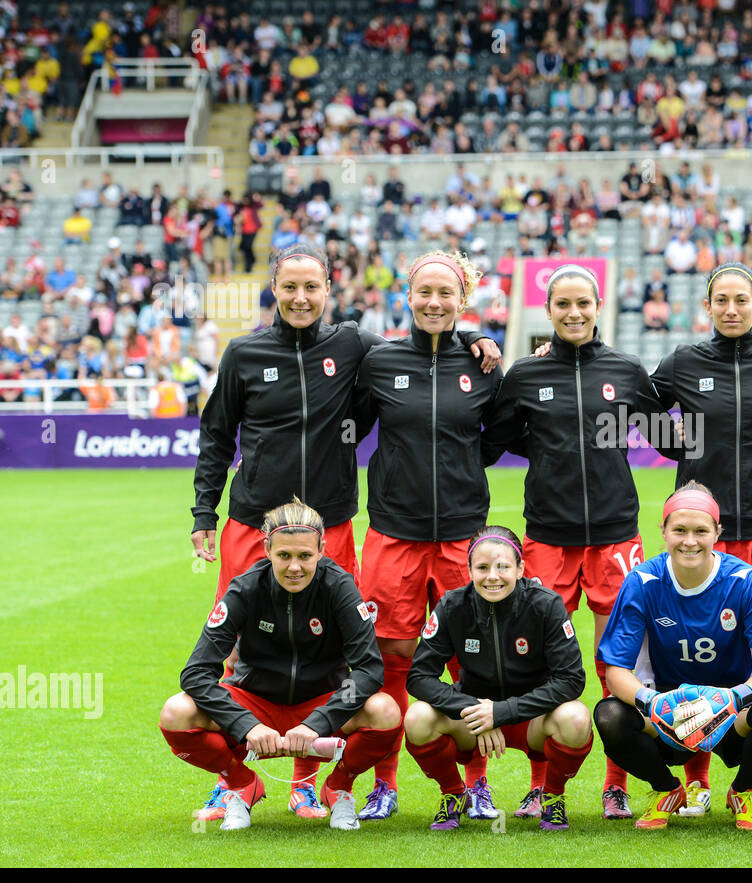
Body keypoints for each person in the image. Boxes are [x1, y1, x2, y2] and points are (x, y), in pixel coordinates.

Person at [189, 243, 498, 819]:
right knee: (234, 650)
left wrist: (469, 339)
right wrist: (204, 513)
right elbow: (215, 436)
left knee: (328, 648)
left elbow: (420, 348)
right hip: (251, 522)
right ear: (275, 290)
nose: (301, 298)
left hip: (330, 523)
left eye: (312, 287)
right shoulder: (243, 353)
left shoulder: (354, 345)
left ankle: (307, 781)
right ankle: (236, 781)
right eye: (290, 287)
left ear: (330, 290)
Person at [486, 263, 665, 820]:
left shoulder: (626, 370)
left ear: (598, 305)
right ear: (549, 311)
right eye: (562, 304)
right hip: (547, 535)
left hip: (615, 535)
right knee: (545, 664)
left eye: (583, 303)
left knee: (622, 662)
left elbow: (666, 432)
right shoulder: (524, 376)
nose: (574, 313)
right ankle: (547, 787)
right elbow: (494, 438)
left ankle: (617, 783)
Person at [648, 261, 752, 818]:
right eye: (722, 300)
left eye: (742, 299)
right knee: (695, 644)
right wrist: (686, 453)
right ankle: (694, 775)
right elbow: (642, 410)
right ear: (708, 306)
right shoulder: (683, 362)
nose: (732, 309)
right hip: (701, 532)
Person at [349, 249, 508, 822]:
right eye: (424, 293)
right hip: (394, 532)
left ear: (462, 300)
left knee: (471, 660)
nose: (435, 303)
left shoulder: (485, 367)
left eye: (447, 294)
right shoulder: (378, 361)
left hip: (465, 536)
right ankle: (384, 782)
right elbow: (351, 424)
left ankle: (477, 782)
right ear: (408, 298)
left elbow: (496, 438)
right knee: (391, 654)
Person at [158, 499, 401, 831]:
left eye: (305, 556)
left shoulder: (340, 586)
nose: (294, 567)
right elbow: (196, 672)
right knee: (176, 712)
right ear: (266, 548)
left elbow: (369, 669)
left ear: (321, 550)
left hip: (322, 702)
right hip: (256, 703)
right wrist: (247, 725)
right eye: (284, 555)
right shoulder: (245, 587)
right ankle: (241, 783)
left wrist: (318, 722)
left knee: (385, 711)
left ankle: (339, 786)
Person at [593, 483, 752, 830]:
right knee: (610, 715)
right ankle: (667, 790)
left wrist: (733, 698)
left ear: (717, 532)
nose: (690, 540)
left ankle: (743, 790)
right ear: (663, 531)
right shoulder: (642, 581)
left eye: (701, 530)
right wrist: (652, 703)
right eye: (680, 530)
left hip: (734, 715)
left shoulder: (744, 580)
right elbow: (615, 673)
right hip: (670, 718)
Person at [403, 526, 592, 831]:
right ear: (469, 570)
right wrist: (474, 709)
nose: (492, 576)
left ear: (520, 569)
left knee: (577, 718)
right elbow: (419, 677)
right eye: (482, 567)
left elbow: (571, 680)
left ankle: (552, 796)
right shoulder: (452, 605)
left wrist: (502, 712)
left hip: (534, 720)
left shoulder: (547, 605)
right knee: (417, 718)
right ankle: (454, 794)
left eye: (503, 566)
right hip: (474, 719)